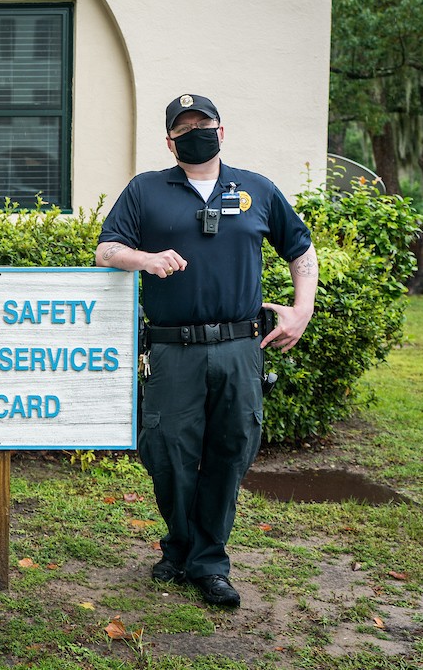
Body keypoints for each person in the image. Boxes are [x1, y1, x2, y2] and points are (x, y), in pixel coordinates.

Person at [96, 93, 318, 608]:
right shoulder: (145, 190)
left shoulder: (257, 189)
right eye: (184, 127)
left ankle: (209, 562)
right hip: (173, 349)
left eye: (204, 123)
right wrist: (144, 259)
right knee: (168, 452)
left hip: (241, 347)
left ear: (221, 132)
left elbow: (300, 249)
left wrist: (301, 310)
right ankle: (179, 545)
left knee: (231, 449)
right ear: (169, 140)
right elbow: (106, 249)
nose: (195, 131)